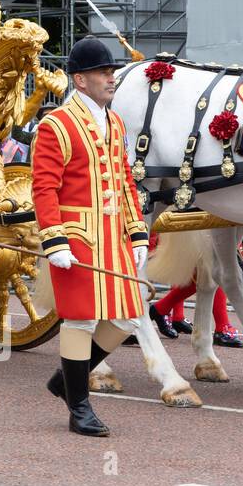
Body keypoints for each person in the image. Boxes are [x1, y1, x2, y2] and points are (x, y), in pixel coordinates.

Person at [32, 37, 149, 437]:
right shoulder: (56, 124)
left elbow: (124, 181)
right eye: (103, 72)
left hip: (112, 236)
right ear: (80, 80)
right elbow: (44, 188)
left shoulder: (115, 122)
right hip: (77, 236)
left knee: (127, 317)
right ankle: (79, 406)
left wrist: (137, 233)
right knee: (80, 320)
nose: (110, 78)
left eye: (112, 71)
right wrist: (55, 241)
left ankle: (66, 380)